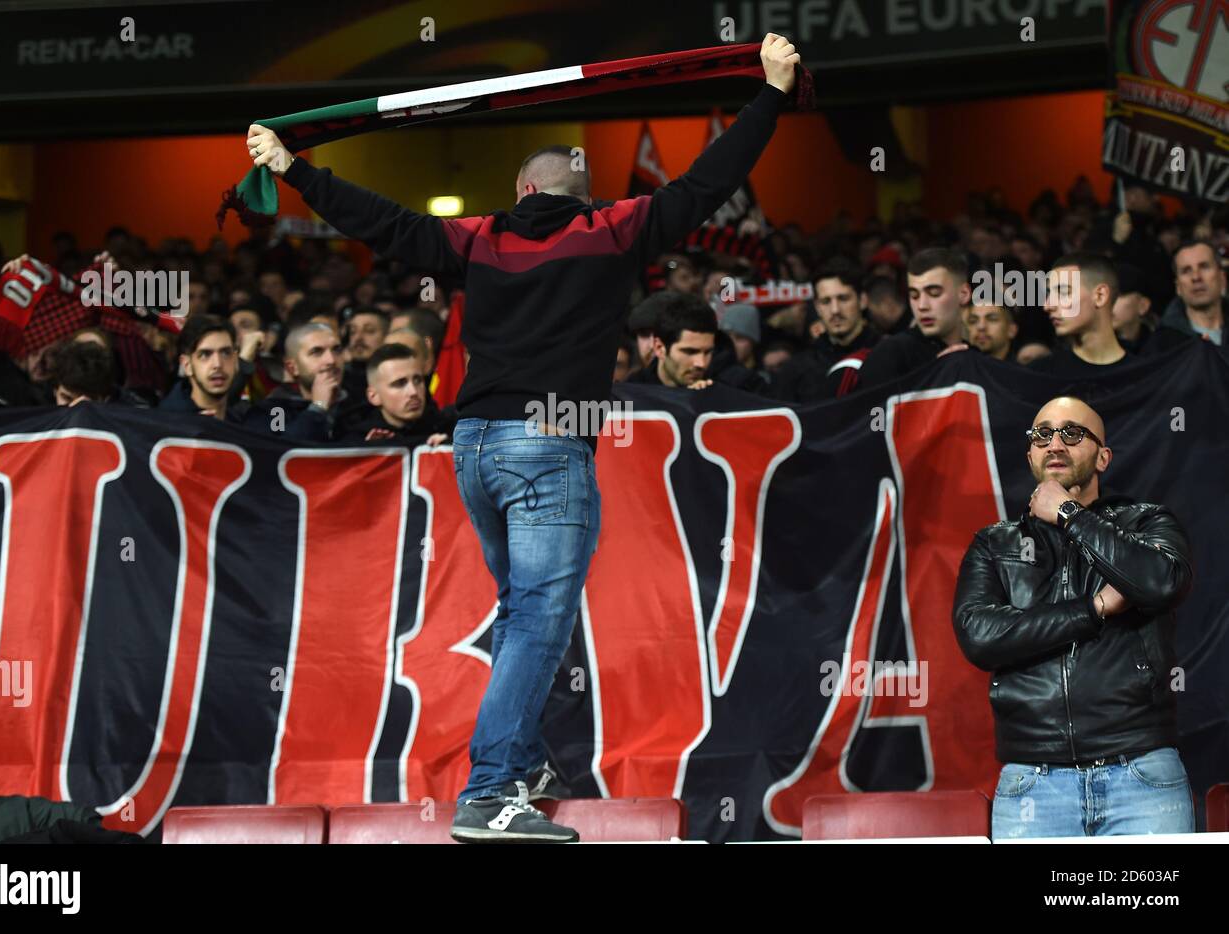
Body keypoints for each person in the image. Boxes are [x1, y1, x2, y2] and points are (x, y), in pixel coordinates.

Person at [247, 32, 803, 843]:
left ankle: (527, 758)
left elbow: (385, 223)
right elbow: (709, 184)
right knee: (540, 617)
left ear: (520, 187)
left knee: (520, 615)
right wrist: (774, 95)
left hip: (472, 446)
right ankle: (491, 791)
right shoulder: (616, 228)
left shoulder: (481, 237)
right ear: (583, 192)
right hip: (549, 446)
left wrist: (294, 170)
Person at [953, 395, 1194, 839]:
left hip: (1141, 774)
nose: (1055, 444)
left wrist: (1068, 514)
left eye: (1072, 433)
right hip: (1033, 782)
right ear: (1030, 454)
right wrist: (1094, 609)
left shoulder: (1144, 523)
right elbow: (981, 637)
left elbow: (1161, 583)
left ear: (1103, 456)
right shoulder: (995, 544)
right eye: (1042, 435)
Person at [856, 247, 969, 391]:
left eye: (934, 293)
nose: (922, 306)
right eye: (914, 295)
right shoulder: (889, 355)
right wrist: (937, 374)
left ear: (964, 294)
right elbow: (870, 412)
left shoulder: (976, 356)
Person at [773, 259, 879, 401]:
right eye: (826, 301)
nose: (835, 310)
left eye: (843, 298)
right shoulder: (797, 369)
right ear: (817, 307)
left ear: (863, 300)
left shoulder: (889, 354)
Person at [1028, 253, 1133, 377]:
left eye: (1063, 292)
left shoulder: (1145, 379)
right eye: (1049, 294)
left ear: (1100, 296)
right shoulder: (1038, 375)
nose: (1047, 306)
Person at [352, 343, 455, 446]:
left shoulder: (453, 430)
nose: (413, 392)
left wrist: (448, 448)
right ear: (373, 396)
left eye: (417, 380)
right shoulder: (354, 441)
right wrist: (370, 457)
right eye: (400, 383)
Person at [624, 294, 720, 390]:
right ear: (659, 348)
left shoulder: (721, 385)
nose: (701, 363)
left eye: (708, 352)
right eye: (689, 352)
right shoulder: (630, 393)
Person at [1159, 240, 1226, 356]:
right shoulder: (1160, 349)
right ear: (1178, 287)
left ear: (1222, 278)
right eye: (1186, 271)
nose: (1196, 277)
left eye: (1204, 267)